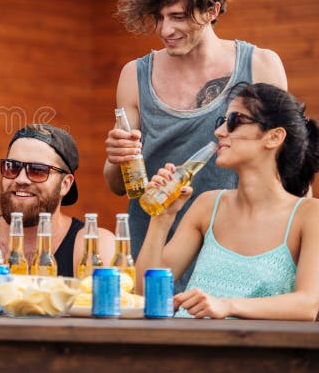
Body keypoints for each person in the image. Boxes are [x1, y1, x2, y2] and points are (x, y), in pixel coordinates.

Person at [103, 0, 288, 282]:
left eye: (177, 17)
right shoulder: (135, 75)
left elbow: (287, 166)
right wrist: (116, 157)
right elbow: (120, 185)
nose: (165, 30)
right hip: (152, 254)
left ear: (212, 10)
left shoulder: (260, 65)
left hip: (231, 260)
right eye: (158, 18)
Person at [136, 83, 319, 320]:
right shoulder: (208, 205)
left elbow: (308, 305)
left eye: (235, 120)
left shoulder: (309, 215)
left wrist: (227, 306)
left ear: (274, 137)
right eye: (220, 121)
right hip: (184, 348)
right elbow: (146, 295)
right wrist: (161, 218)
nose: (220, 131)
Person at [0, 124, 115, 286]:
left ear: (65, 184)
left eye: (38, 171)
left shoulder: (94, 247)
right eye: (12, 167)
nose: (21, 179)